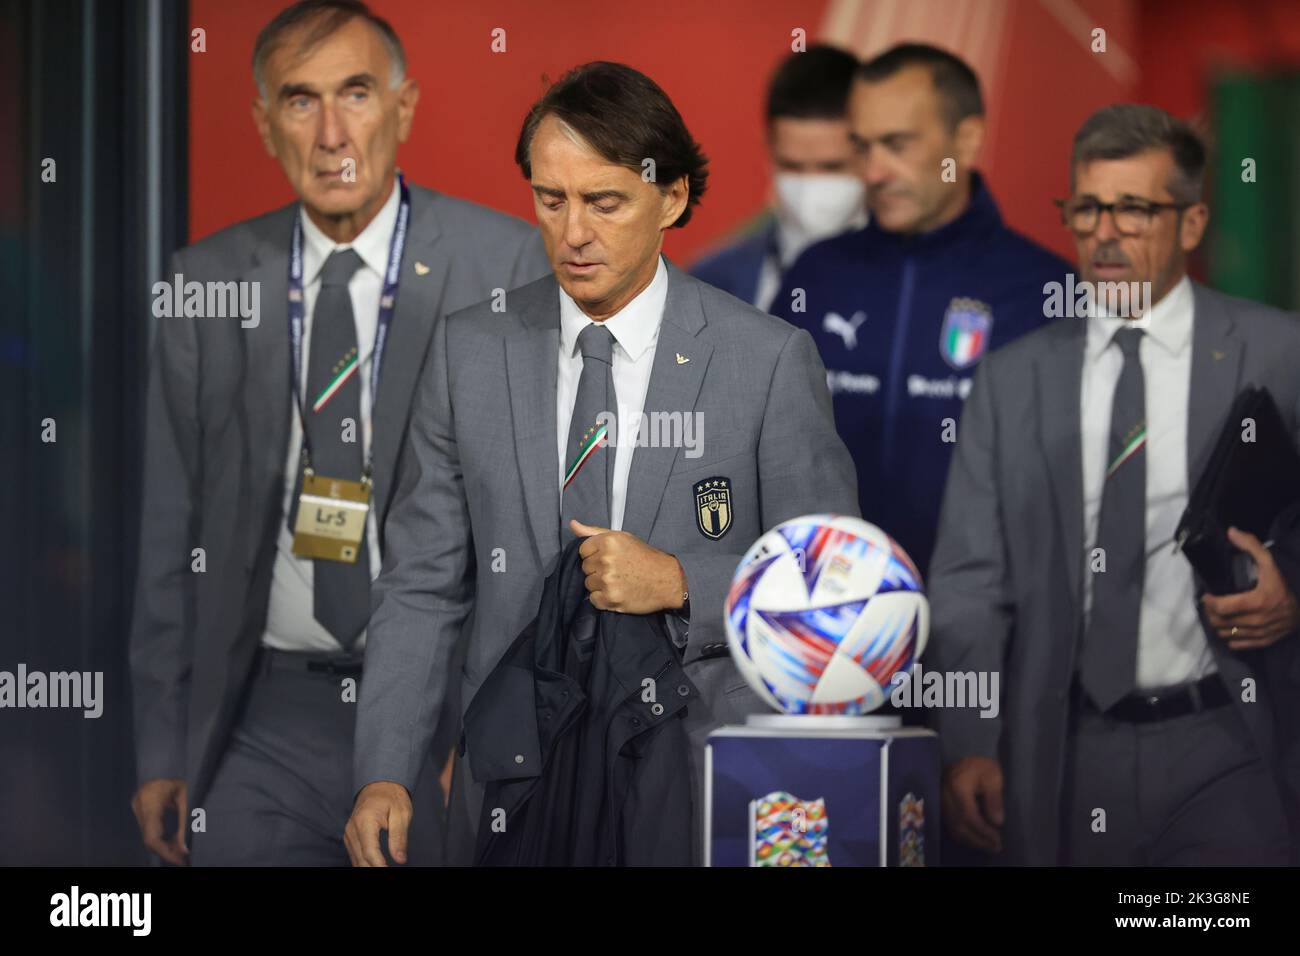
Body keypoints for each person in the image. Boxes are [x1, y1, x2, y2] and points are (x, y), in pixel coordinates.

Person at [343, 61, 858, 866]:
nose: (573, 231)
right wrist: (384, 771)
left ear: (673, 199)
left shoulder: (767, 360)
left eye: (605, 201)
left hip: (692, 780)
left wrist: (686, 584)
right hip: (514, 782)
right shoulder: (470, 352)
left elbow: (837, 589)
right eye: (552, 200)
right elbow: (421, 583)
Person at [129, 0, 549, 866]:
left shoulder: (504, 264)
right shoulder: (204, 282)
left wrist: (490, 724)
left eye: (355, 94)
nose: (331, 133)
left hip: (440, 713)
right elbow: (171, 530)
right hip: (262, 711)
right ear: (263, 123)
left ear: (404, 106)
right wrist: (162, 747)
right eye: (299, 100)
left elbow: (532, 527)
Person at [931, 103, 1300, 865]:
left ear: (1192, 224)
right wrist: (967, 739)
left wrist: (1290, 591)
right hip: (1062, 749)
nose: (1105, 232)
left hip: (1230, 740)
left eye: (1134, 210)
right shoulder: (1012, 380)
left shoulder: (1277, 353)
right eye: (1088, 208)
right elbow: (970, 580)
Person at [771, 43, 1070, 576]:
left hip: (989, 630)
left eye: (897, 144)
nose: (874, 171)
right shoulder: (816, 277)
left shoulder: (1049, 292)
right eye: (861, 147)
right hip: (830, 620)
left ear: (968, 139)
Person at [690, 44, 865, 311]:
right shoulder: (710, 283)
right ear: (769, 151)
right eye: (792, 166)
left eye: (832, 167)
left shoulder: (913, 273)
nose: (811, 187)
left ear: (869, 151)